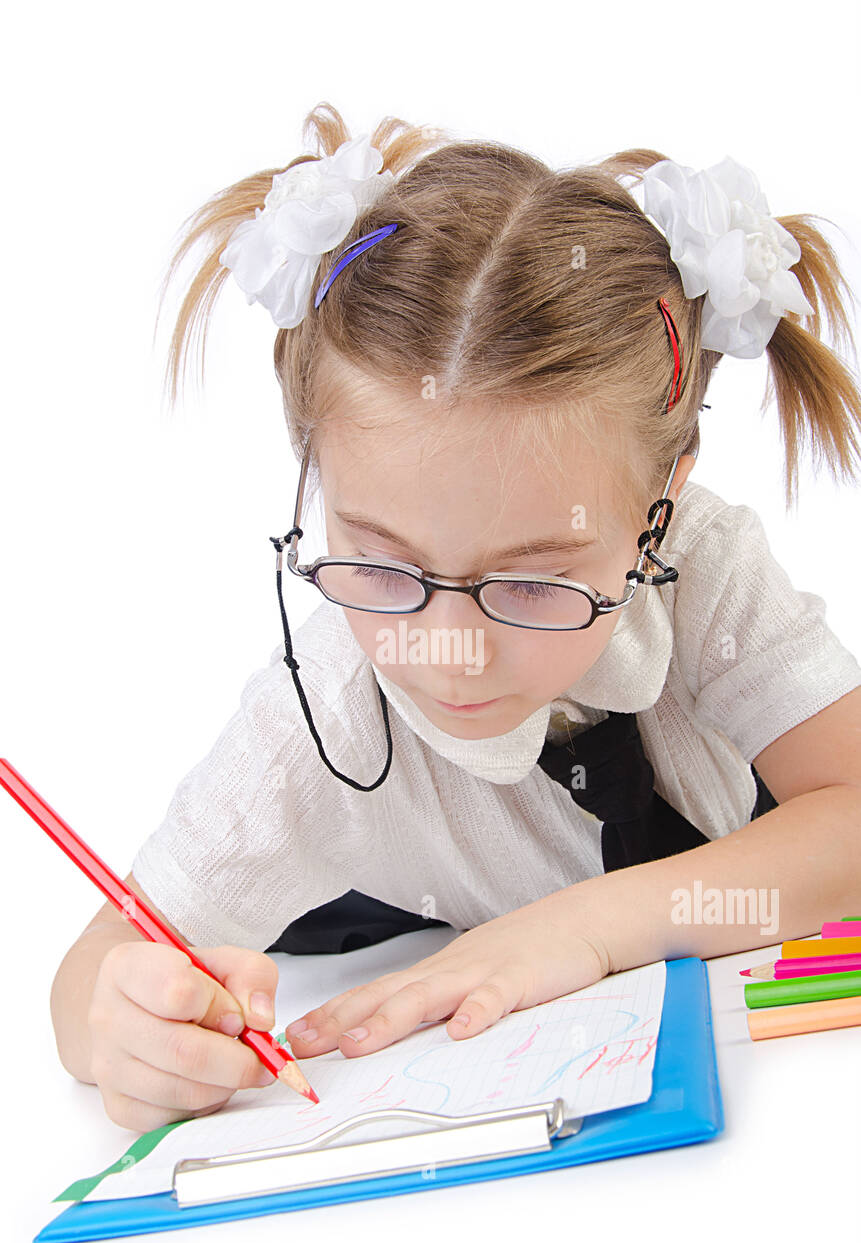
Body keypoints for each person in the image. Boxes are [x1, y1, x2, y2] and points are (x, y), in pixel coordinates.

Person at [50, 102, 861, 1133]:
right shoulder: (330, 708)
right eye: (384, 564)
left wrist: (583, 932)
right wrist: (117, 1026)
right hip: (401, 923)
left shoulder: (701, 567)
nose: (450, 649)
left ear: (660, 505)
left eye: (531, 584)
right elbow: (93, 971)